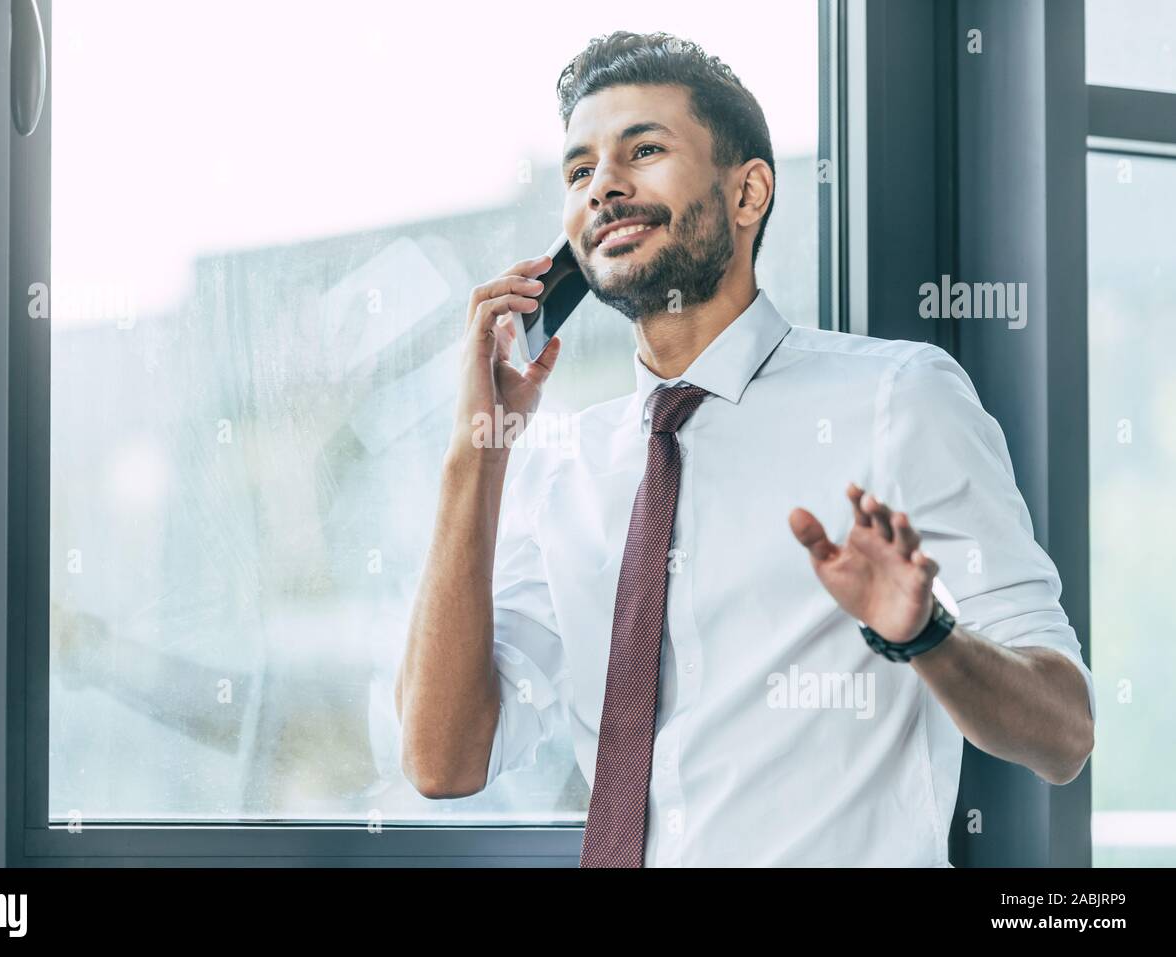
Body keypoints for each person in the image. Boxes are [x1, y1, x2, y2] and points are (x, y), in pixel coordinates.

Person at [394, 31, 1095, 867]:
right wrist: (480, 448)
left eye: (643, 151)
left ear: (748, 192)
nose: (604, 187)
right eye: (580, 172)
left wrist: (925, 636)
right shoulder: (564, 466)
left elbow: (1065, 733)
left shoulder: (899, 398)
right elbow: (442, 761)